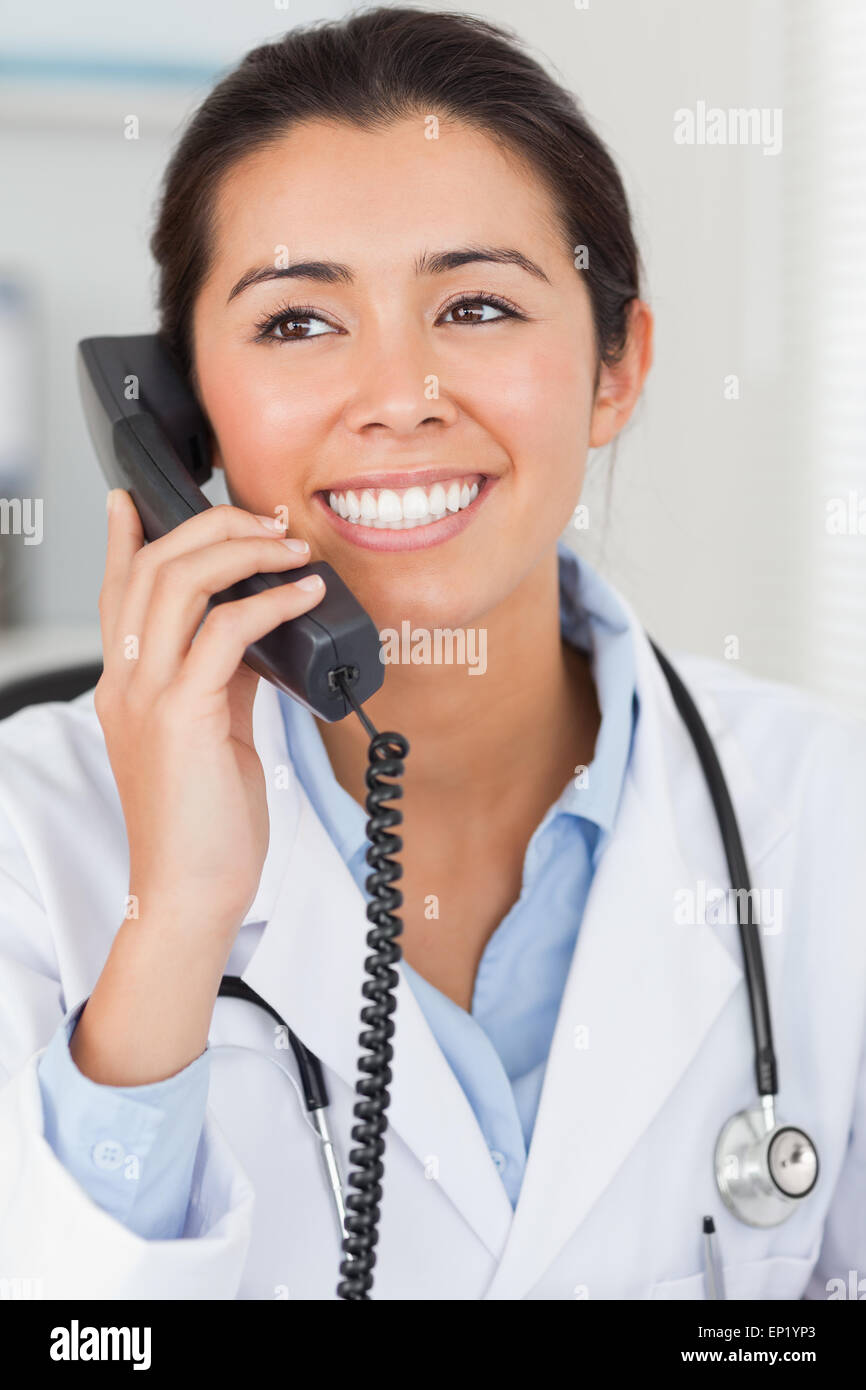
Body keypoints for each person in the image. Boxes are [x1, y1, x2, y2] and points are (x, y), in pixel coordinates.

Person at [0, 7, 863, 1301]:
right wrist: (173, 916)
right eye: (298, 322)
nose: (399, 397)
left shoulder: (828, 814)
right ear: (181, 416)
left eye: (476, 305)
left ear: (615, 369)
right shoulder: (29, 839)